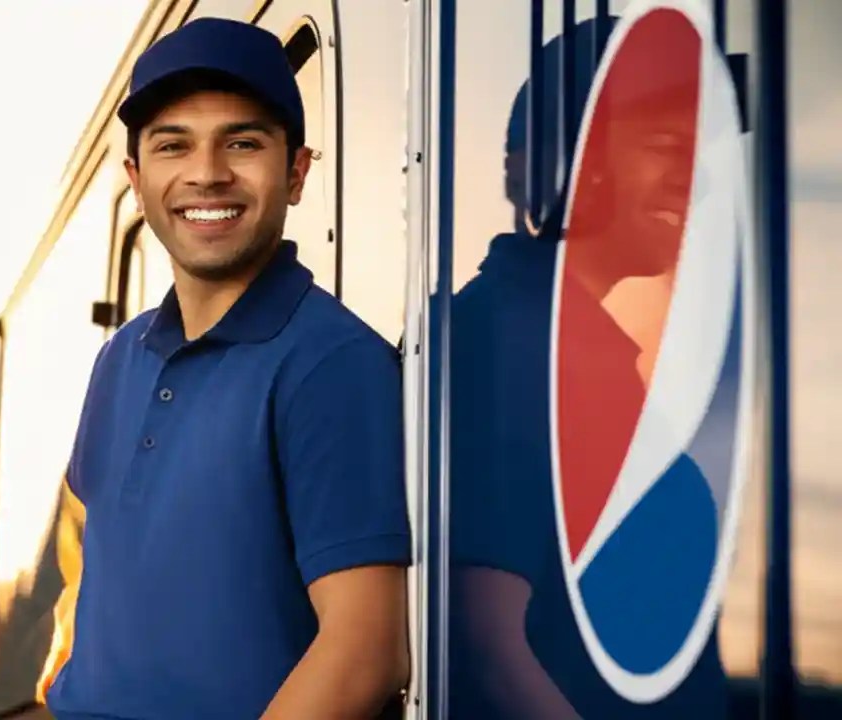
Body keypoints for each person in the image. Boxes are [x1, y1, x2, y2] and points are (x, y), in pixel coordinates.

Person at [39, 16, 412, 720]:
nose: (206, 173)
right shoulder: (117, 360)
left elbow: (366, 652)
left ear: (296, 172)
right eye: (173, 145)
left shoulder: (335, 363)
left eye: (242, 142)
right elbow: (83, 562)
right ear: (138, 178)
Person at [444, 17, 730, 719]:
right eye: (664, 146)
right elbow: (490, 651)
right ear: (541, 164)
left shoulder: (573, 344)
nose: (691, 178)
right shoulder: (505, 342)